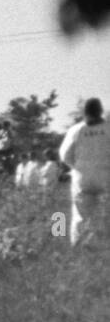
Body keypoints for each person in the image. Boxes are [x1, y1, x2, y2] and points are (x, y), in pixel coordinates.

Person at [58, 97, 110, 246]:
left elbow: (64, 155)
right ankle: (105, 245)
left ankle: (80, 245)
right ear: (100, 111)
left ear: (84, 112)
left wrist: (77, 167)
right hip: (106, 176)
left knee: (81, 214)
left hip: (82, 177)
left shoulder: (76, 130)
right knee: (106, 213)